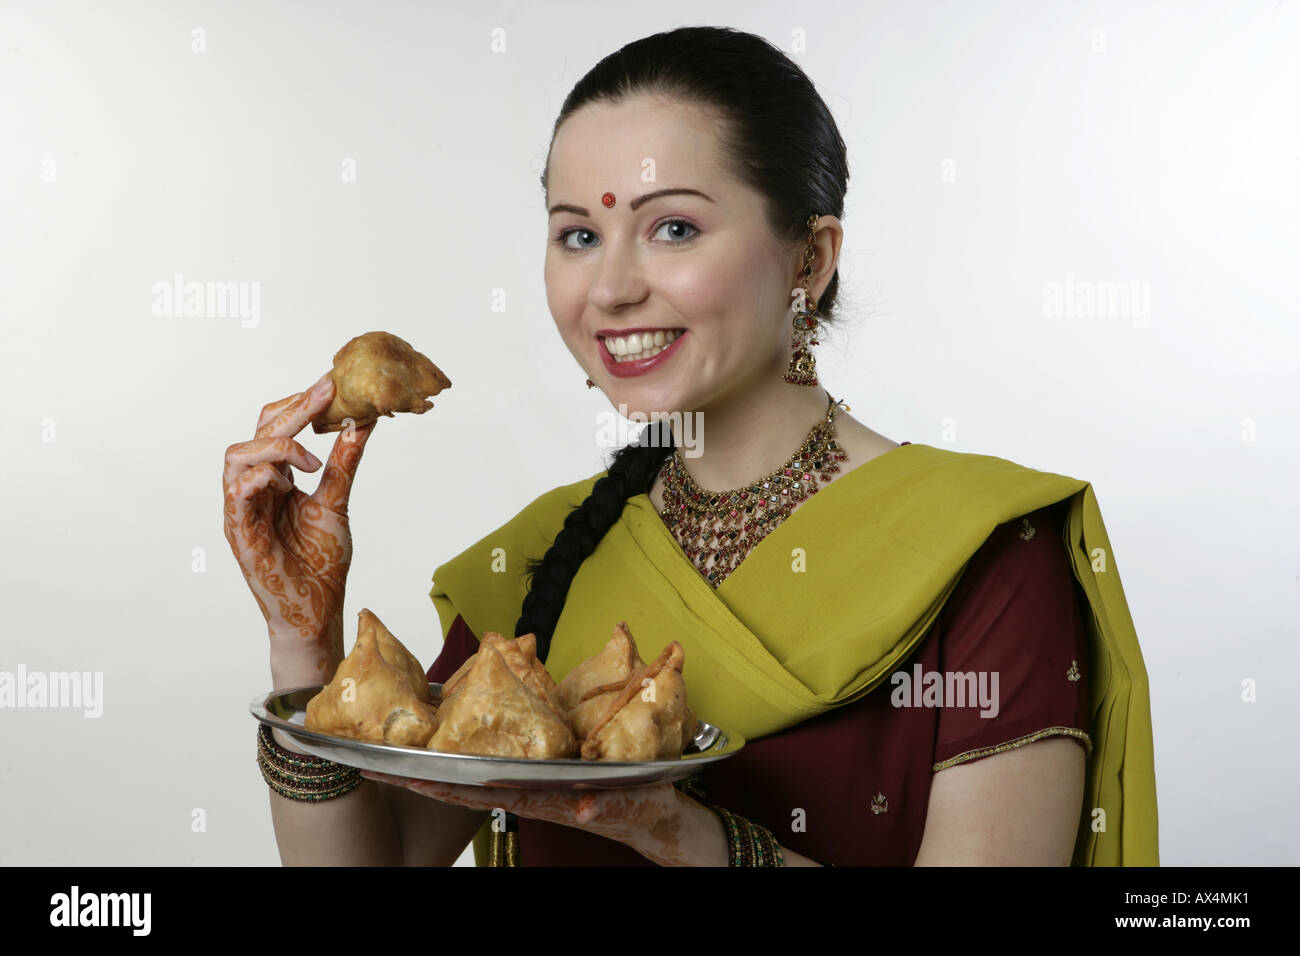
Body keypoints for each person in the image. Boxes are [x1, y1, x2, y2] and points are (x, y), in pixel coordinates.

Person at [223, 25, 1158, 867]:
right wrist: (303, 646)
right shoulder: (545, 562)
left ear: (811, 259)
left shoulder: (984, 548)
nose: (612, 288)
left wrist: (690, 837)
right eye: (578, 235)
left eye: (673, 227)